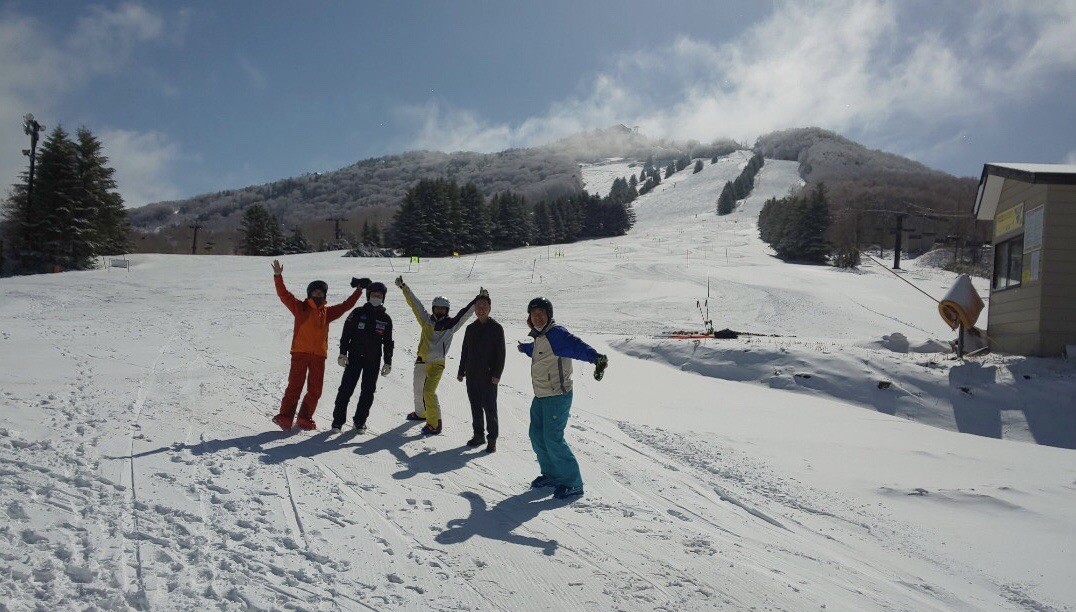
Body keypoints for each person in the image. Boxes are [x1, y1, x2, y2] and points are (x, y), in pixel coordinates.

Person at [517, 297, 608, 499]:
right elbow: (539, 352)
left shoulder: (556, 334)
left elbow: (576, 346)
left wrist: (596, 358)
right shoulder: (540, 336)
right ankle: (552, 474)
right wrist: (524, 349)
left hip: (557, 396)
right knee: (537, 435)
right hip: (541, 395)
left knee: (553, 439)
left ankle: (572, 482)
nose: (538, 317)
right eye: (534, 314)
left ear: (549, 315)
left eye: (541, 313)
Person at [271, 259, 364, 431]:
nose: (317, 294)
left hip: (319, 355)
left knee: (315, 389)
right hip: (300, 353)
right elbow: (284, 294)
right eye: (314, 291)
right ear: (309, 293)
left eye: (321, 292)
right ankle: (285, 417)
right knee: (295, 385)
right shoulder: (300, 307)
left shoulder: (327, 313)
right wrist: (278, 276)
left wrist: (359, 291)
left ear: (325, 295)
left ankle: (305, 418)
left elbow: (345, 306)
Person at [395, 276, 482, 435]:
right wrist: (404, 287)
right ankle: (421, 414)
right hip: (421, 361)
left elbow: (465, 312)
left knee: (428, 392)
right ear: (434, 308)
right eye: (437, 308)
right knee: (417, 390)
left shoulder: (451, 325)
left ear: (447, 310)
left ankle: (435, 424)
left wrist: (479, 299)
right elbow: (415, 304)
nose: (440, 311)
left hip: (436, 364)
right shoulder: (426, 320)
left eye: (443, 308)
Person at [331, 281, 394, 433]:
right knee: (346, 389)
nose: (376, 297)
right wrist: (342, 353)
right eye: (374, 295)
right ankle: (337, 422)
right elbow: (346, 334)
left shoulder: (386, 319)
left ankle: (359, 421)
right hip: (354, 357)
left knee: (367, 392)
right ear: (368, 296)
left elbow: (388, 342)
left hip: (373, 361)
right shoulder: (357, 313)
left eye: (379, 296)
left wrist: (388, 362)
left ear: (383, 297)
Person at [457, 291, 505, 453]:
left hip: (489, 377)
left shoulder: (496, 328)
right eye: (478, 306)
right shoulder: (470, 329)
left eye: (484, 306)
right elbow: (465, 351)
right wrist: (461, 370)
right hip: (472, 375)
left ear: (489, 308)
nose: (481, 309)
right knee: (475, 406)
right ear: (475, 309)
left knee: (490, 409)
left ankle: (492, 440)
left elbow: (501, 354)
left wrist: (497, 374)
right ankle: (478, 435)